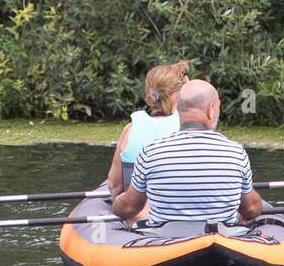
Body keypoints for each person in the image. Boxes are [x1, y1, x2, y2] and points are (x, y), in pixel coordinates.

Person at [112, 78, 263, 224]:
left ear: (178, 109)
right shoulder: (236, 152)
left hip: (165, 242)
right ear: (211, 110)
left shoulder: (150, 152)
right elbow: (250, 210)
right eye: (218, 107)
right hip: (220, 240)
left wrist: (116, 202)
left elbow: (129, 207)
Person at [104, 60, 188, 199]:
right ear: (180, 92)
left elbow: (114, 185)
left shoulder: (130, 129)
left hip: (136, 214)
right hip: (176, 212)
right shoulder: (187, 127)